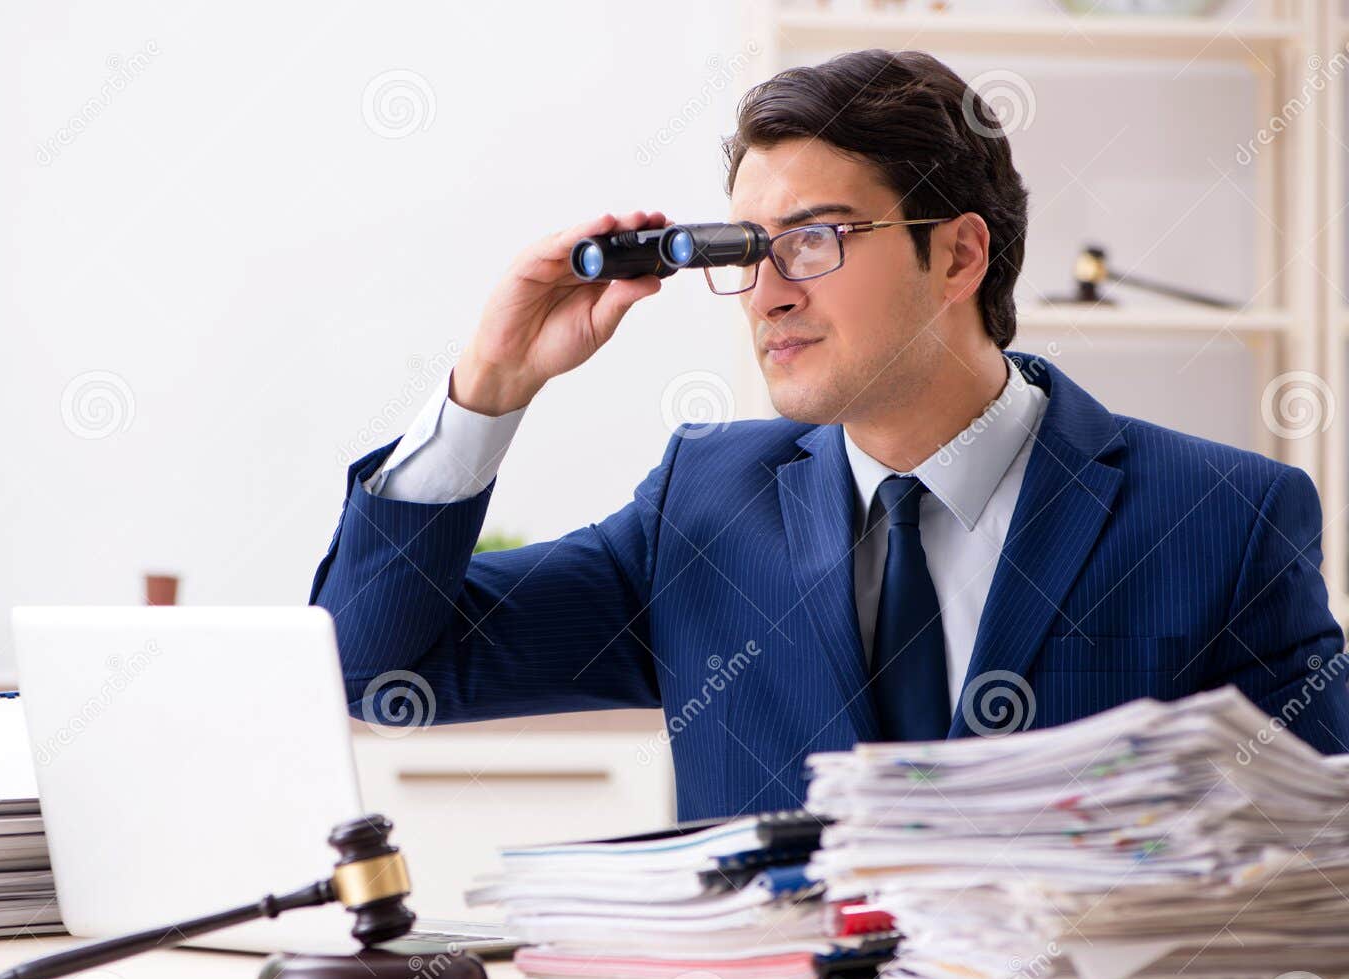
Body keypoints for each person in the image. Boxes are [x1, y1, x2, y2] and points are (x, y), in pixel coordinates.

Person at [310, 49, 1349, 821]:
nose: (764, 293)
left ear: (956, 257)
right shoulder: (702, 511)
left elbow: (1324, 848)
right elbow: (380, 674)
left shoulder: (1218, 517)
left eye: (811, 240)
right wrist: (488, 387)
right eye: (744, 250)